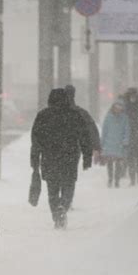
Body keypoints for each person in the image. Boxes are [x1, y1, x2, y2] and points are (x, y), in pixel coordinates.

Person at [31, 88, 92, 229]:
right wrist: (87, 156)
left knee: (52, 189)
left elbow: (36, 140)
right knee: (68, 185)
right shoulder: (74, 115)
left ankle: (56, 215)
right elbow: (84, 136)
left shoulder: (43, 116)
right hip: (69, 157)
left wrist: (34, 160)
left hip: (49, 158)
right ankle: (64, 205)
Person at [65, 84, 101, 207]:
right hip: (74, 149)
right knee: (70, 176)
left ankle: (60, 198)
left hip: (57, 149)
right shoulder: (80, 112)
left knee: (58, 174)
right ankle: (67, 200)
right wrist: (96, 147)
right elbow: (91, 129)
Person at [101, 101, 130, 188]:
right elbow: (104, 131)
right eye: (116, 108)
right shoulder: (108, 117)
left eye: (119, 108)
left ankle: (117, 180)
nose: (117, 110)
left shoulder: (124, 118)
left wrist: (125, 140)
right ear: (113, 108)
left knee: (118, 164)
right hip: (109, 143)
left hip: (119, 144)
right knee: (109, 163)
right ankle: (110, 179)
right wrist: (102, 143)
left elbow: (127, 130)